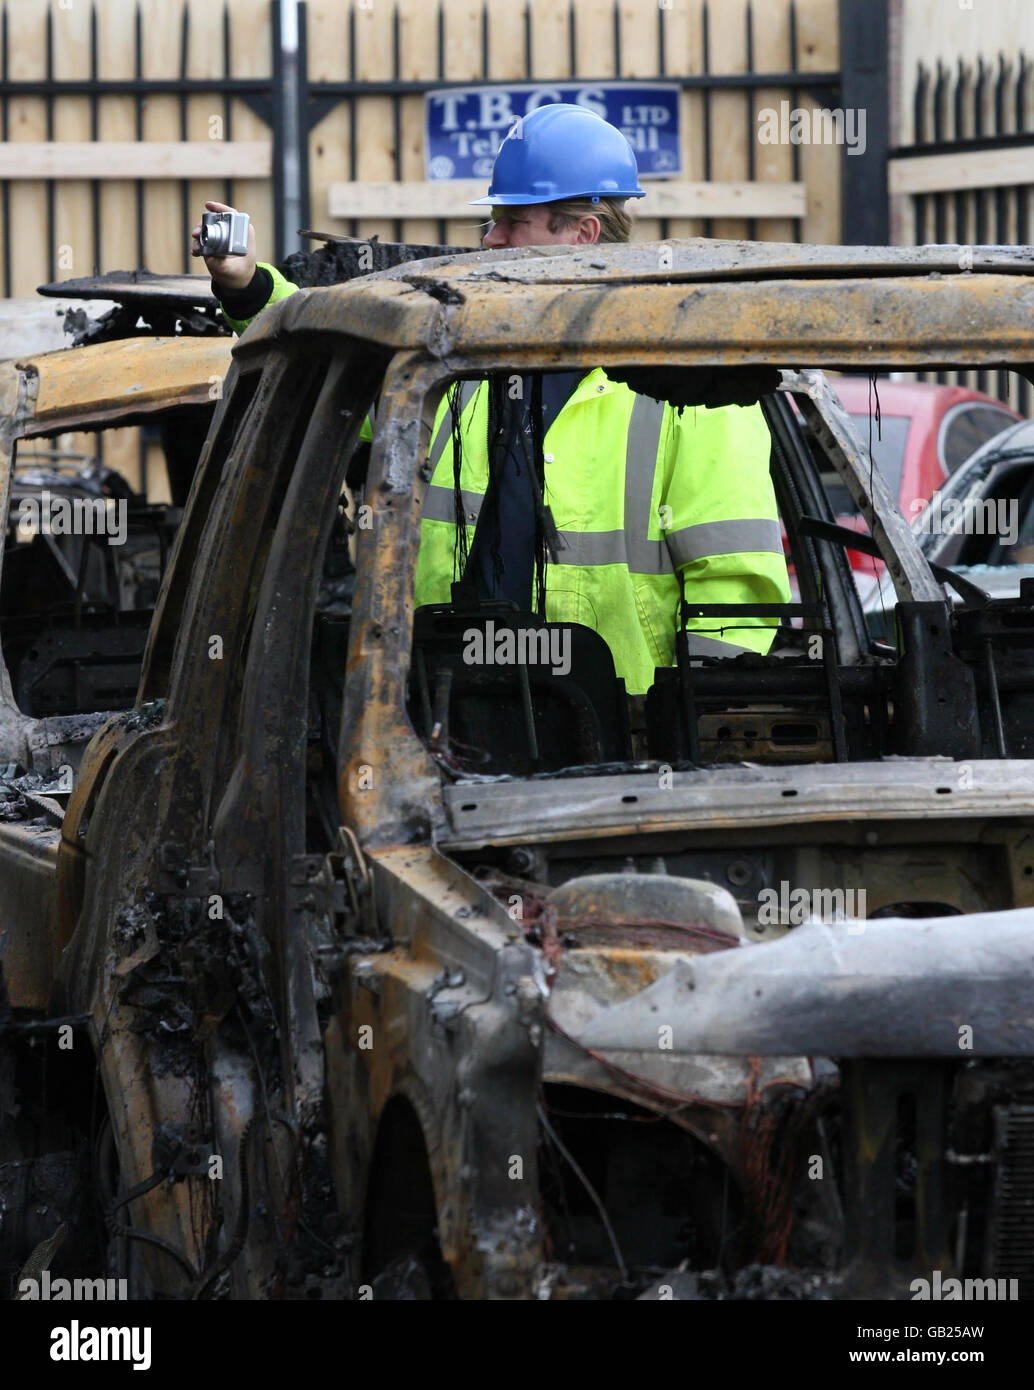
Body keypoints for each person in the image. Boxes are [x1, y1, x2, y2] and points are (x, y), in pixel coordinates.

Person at [192, 103, 790, 696]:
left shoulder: (687, 381)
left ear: (582, 235)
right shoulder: (456, 359)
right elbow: (327, 378)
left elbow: (734, 591)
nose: (490, 239)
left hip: (619, 743)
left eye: (512, 221)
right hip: (444, 713)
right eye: (492, 221)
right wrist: (247, 288)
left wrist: (695, 729)